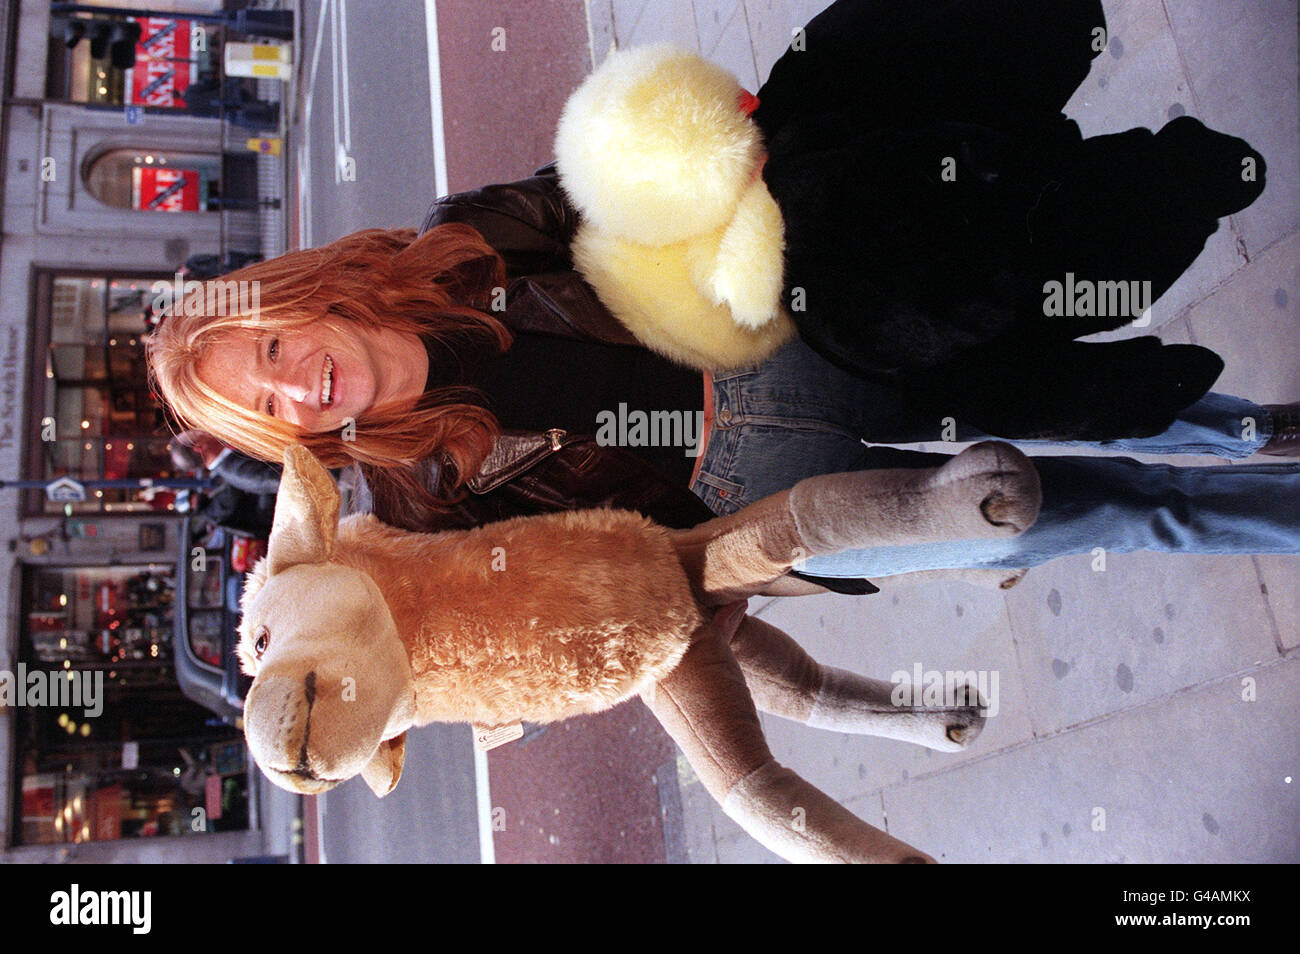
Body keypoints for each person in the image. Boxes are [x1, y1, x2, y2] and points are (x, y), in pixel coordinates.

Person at [145, 3, 1300, 588]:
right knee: (1062, 514)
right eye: (271, 407)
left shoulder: (456, 247)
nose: (299, 386)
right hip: (772, 502)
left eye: (274, 350)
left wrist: (707, 154)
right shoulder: (417, 503)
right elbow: (593, 577)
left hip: (785, 320)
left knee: (1055, 377)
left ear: (297, 301)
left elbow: (600, 193)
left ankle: (1252, 428)